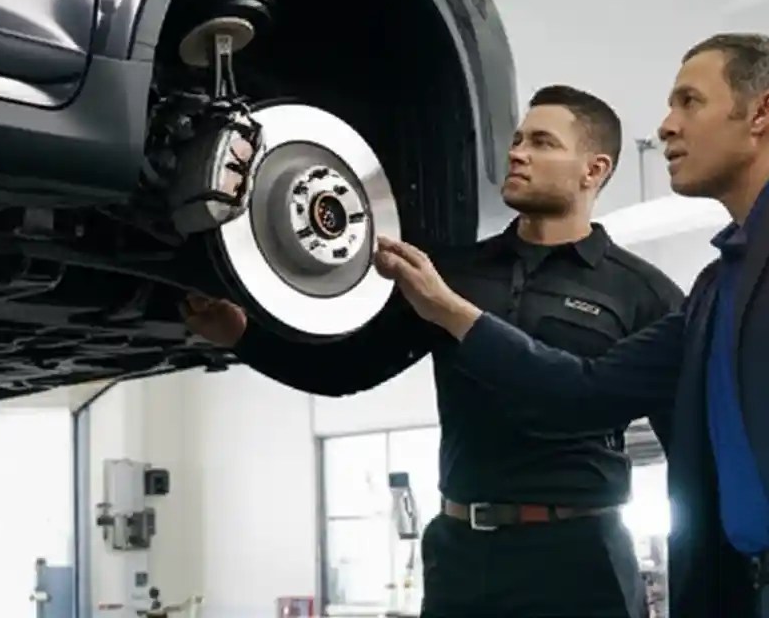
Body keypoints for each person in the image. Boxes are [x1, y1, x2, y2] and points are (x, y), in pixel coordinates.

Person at [372, 33, 769, 618]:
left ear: (764, 112)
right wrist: (449, 310)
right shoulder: (714, 289)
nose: (665, 127)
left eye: (689, 102)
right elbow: (584, 393)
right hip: (757, 590)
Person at [183, 86, 684, 618]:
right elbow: (349, 370)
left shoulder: (643, 293)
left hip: (582, 556)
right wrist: (243, 337)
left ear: (593, 170)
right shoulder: (450, 273)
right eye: (517, 139)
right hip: (461, 553)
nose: (517, 152)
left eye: (542, 142)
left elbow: (685, 442)